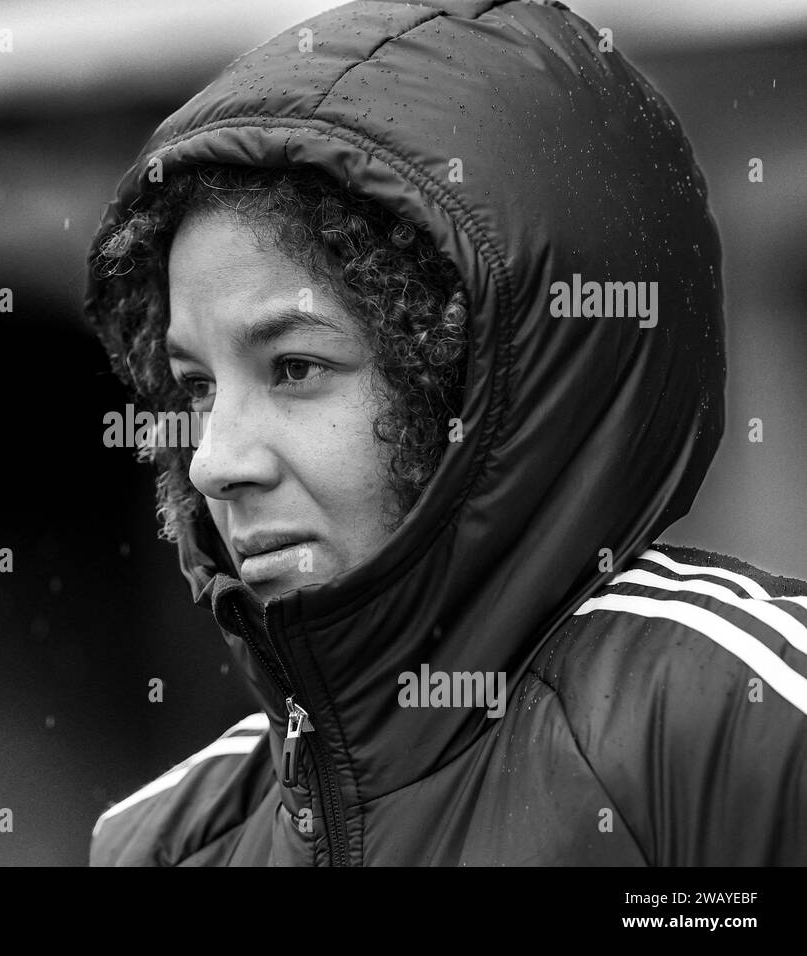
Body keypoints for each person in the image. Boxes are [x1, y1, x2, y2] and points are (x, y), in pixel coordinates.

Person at [82, 0, 807, 865]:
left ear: (477, 376)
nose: (213, 462)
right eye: (196, 384)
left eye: (294, 368)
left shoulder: (744, 725)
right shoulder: (162, 842)